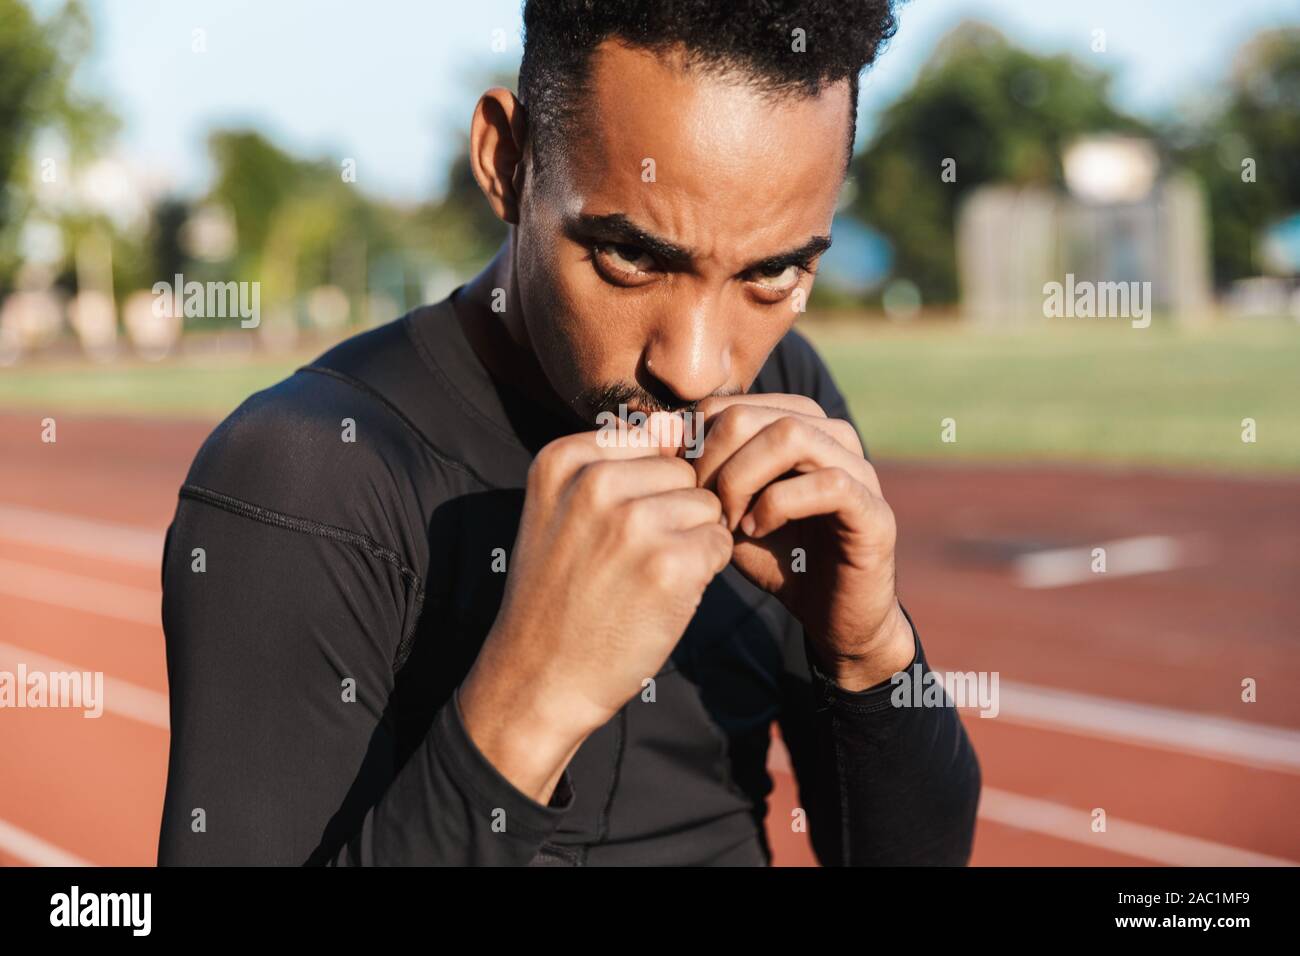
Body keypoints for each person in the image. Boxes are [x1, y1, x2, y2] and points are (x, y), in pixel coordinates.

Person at [157, 0, 980, 866]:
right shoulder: (310, 472)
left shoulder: (784, 394)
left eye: (772, 274)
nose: (699, 370)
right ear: (508, 162)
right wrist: (526, 710)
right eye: (632, 258)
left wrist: (869, 654)